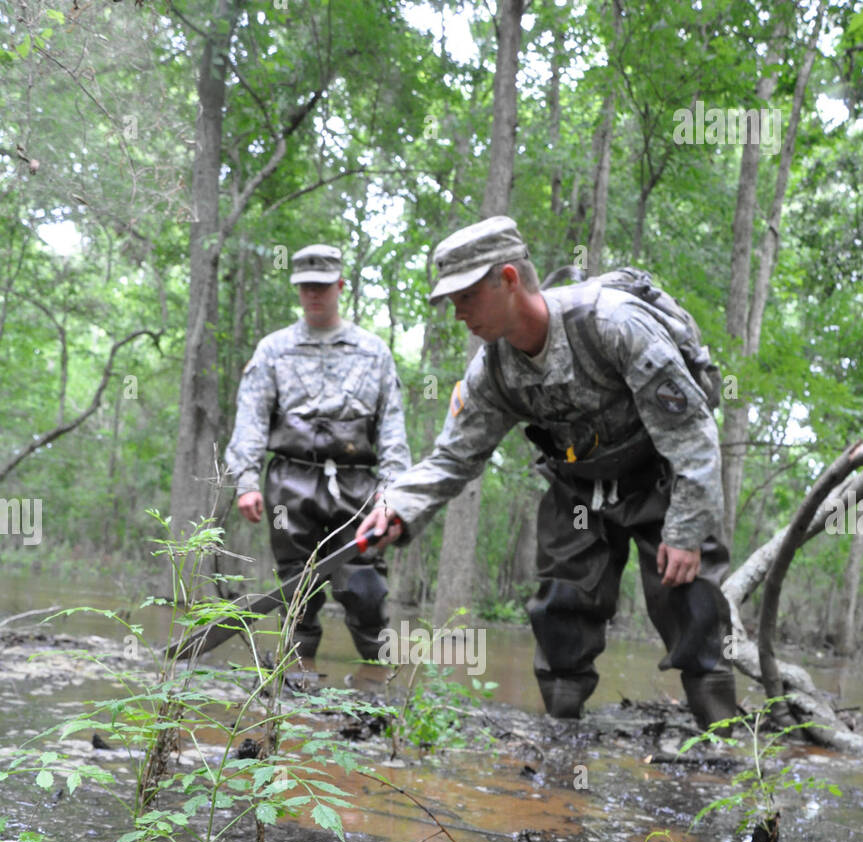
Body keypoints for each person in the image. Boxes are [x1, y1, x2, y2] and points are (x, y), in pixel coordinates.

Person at [358, 216, 737, 727]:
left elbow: (692, 436)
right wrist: (397, 507)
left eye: (466, 297)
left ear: (509, 279)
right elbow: (454, 456)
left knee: (691, 602)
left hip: (661, 477)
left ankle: (721, 744)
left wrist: (687, 531)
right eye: (452, 302)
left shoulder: (614, 325)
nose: (458, 315)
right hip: (577, 489)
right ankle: (561, 744)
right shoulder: (492, 370)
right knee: (561, 609)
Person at [225, 242, 411, 660]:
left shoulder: (373, 350)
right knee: (295, 587)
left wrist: (393, 489)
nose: (313, 294)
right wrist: (246, 482)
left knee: (363, 586)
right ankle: (291, 687)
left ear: (340, 286)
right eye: (305, 286)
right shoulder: (273, 349)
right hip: (290, 482)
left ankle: (379, 688)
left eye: (322, 286)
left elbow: (392, 425)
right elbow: (251, 417)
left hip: (357, 481)